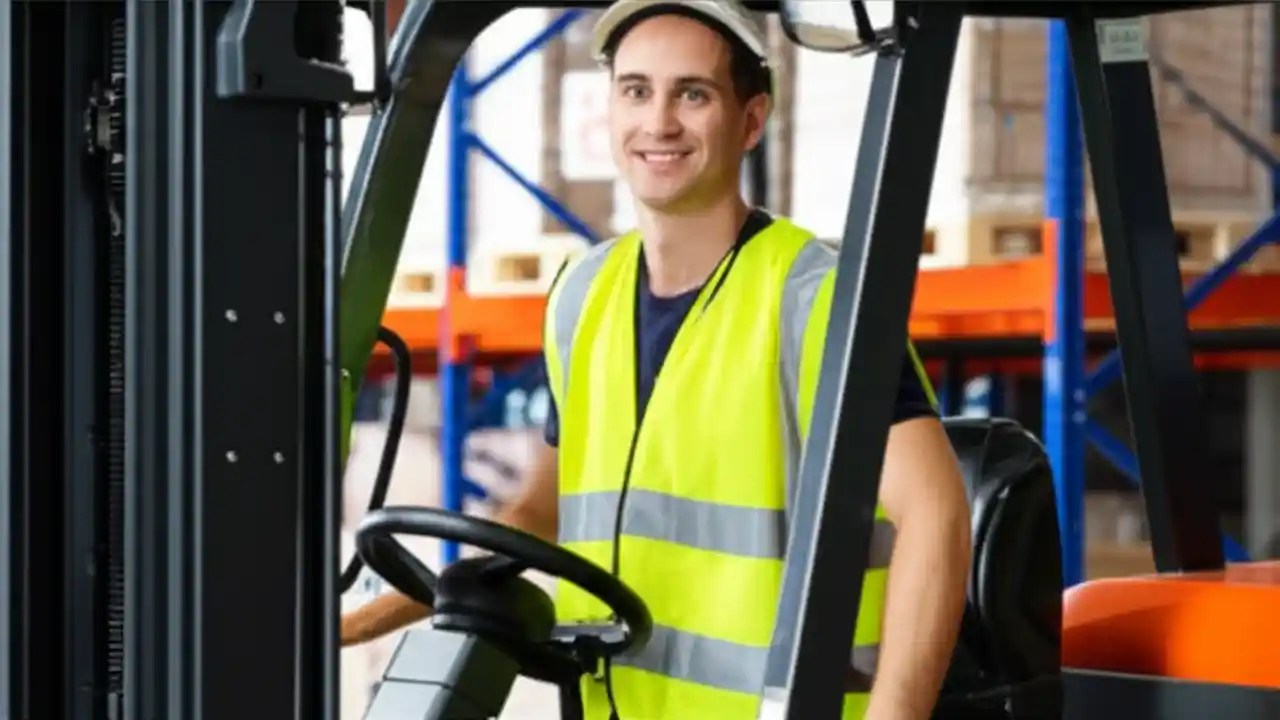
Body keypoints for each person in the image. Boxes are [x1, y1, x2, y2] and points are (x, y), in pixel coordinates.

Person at [341, 1, 972, 718]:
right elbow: (540, 512)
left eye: (692, 94)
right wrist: (364, 619)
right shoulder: (584, 295)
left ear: (752, 120)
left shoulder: (811, 298)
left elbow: (937, 515)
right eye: (636, 91)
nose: (659, 122)